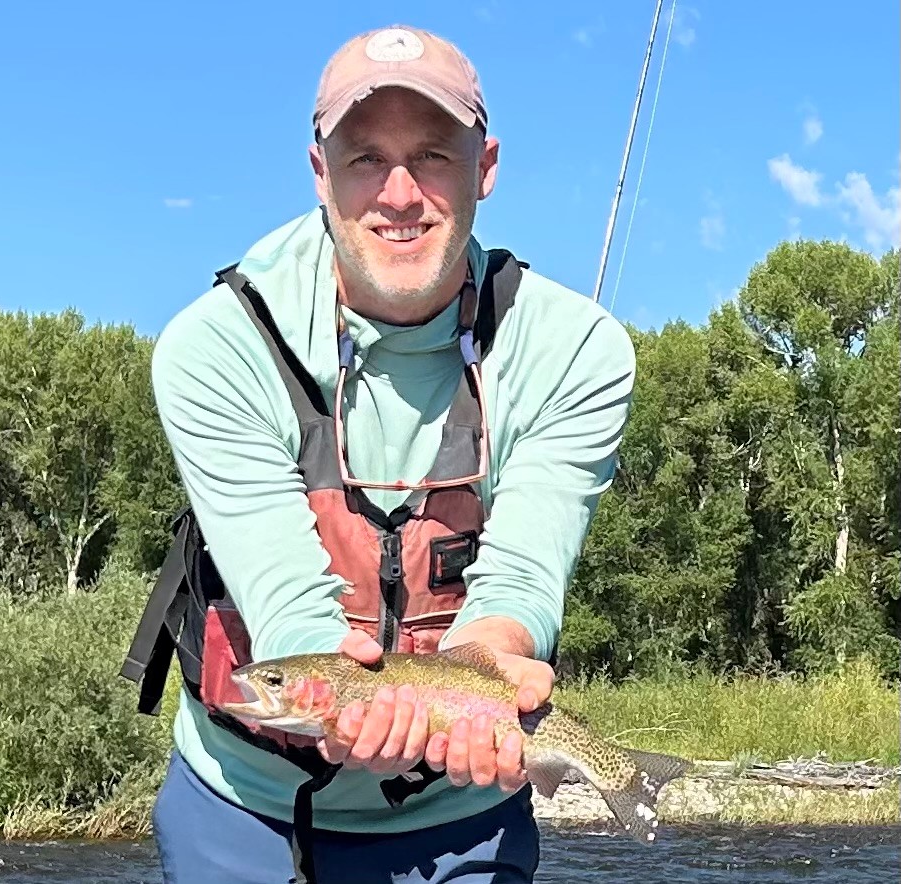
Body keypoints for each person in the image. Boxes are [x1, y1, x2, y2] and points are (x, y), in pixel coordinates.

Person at [126, 23, 636, 884]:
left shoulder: (578, 350)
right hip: (244, 803)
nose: (399, 193)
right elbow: (288, 605)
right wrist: (337, 700)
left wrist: (492, 658)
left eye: (433, 155)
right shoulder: (212, 349)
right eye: (364, 159)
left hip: (463, 814)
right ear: (320, 172)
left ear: (486, 166)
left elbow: (521, 576)